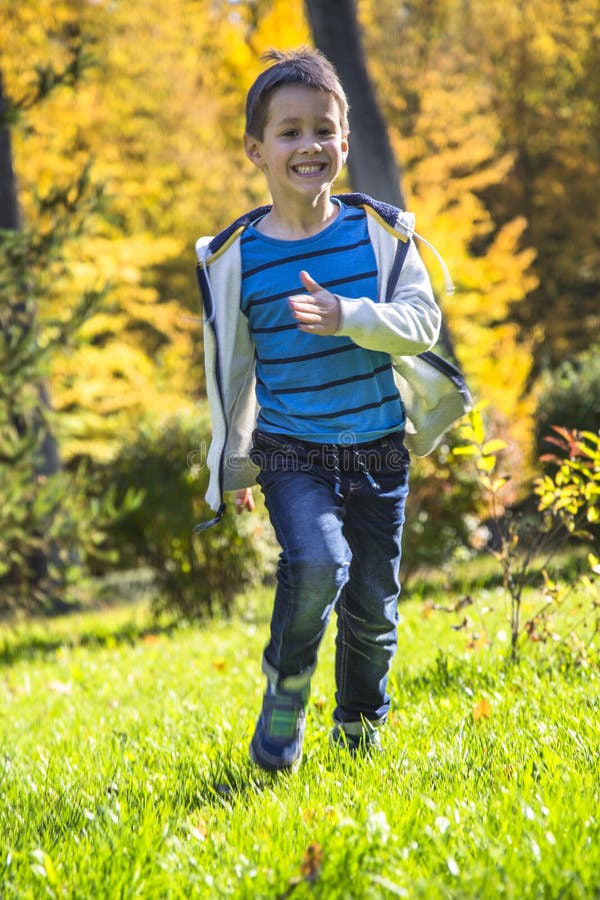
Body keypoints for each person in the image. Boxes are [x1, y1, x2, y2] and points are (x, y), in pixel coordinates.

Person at [195, 48, 464, 772]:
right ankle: (285, 693)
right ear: (256, 149)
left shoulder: (378, 233)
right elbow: (232, 373)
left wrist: (349, 314)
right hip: (293, 453)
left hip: (377, 448)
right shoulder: (238, 260)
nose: (308, 144)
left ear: (344, 142)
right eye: (289, 132)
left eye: (323, 130)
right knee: (318, 565)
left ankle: (358, 728)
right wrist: (236, 461)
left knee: (373, 615)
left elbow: (422, 324)